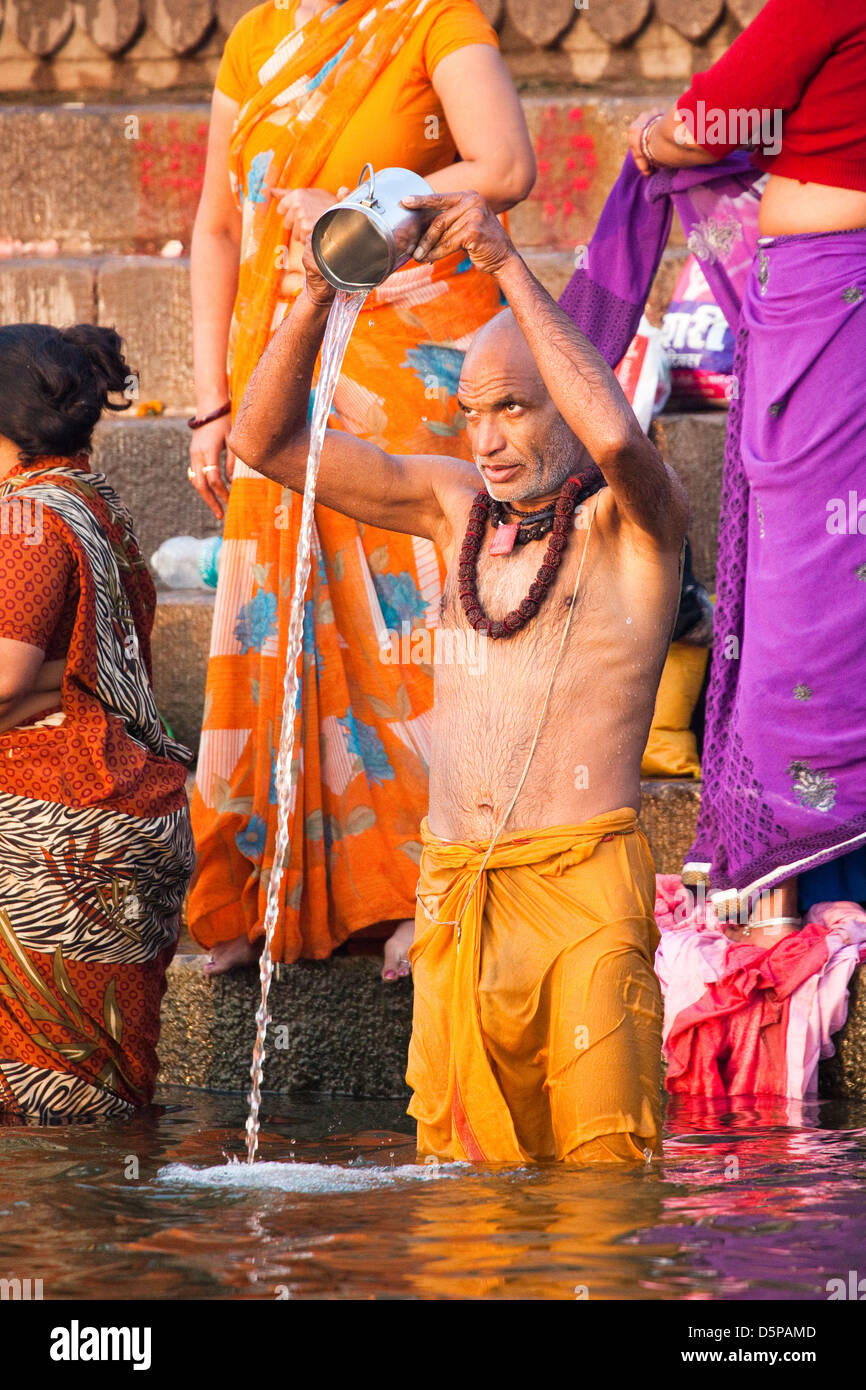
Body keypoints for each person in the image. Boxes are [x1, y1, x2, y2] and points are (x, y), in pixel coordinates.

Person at [227, 192, 688, 1163]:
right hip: (452, 891)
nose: (484, 440)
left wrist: (505, 262)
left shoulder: (636, 530)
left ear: (562, 395)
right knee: (461, 1186)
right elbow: (261, 445)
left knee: (604, 1175)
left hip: (580, 888)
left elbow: (613, 443)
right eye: (471, 413)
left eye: (513, 408)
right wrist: (312, 296)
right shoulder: (453, 510)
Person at [187, 0, 535, 981]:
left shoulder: (435, 20)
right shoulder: (259, 36)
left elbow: (504, 168)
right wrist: (211, 404)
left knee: (414, 629)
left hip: (415, 364)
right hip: (285, 360)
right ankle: (265, 887)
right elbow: (217, 224)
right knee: (277, 612)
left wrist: (358, 199)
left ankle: (431, 882)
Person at [622, 0, 866, 946]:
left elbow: (709, 123)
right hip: (833, 303)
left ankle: (794, 876)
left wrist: (653, 137)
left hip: (834, 304)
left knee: (809, 590)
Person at [0, 324, 194, 1123]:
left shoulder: (29, 521)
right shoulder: (93, 503)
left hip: (56, 821)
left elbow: (6, 681)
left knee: (50, 1111)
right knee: (90, 1105)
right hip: (107, 810)